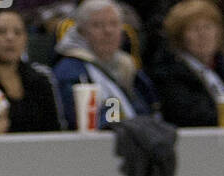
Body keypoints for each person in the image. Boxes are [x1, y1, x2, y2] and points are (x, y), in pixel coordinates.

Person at [54, 0, 159, 128]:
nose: (108, 31)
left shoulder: (126, 64)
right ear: (81, 32)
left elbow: (147, 107)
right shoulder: (70, 69)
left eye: (114, 24)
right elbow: (92, 117)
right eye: (98, 25)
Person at [0, 6, 64, 133]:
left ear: (26, 38)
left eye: (18, 32)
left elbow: (56, 128)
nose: (10, 38)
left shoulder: (42, 75)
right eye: (1, 32)